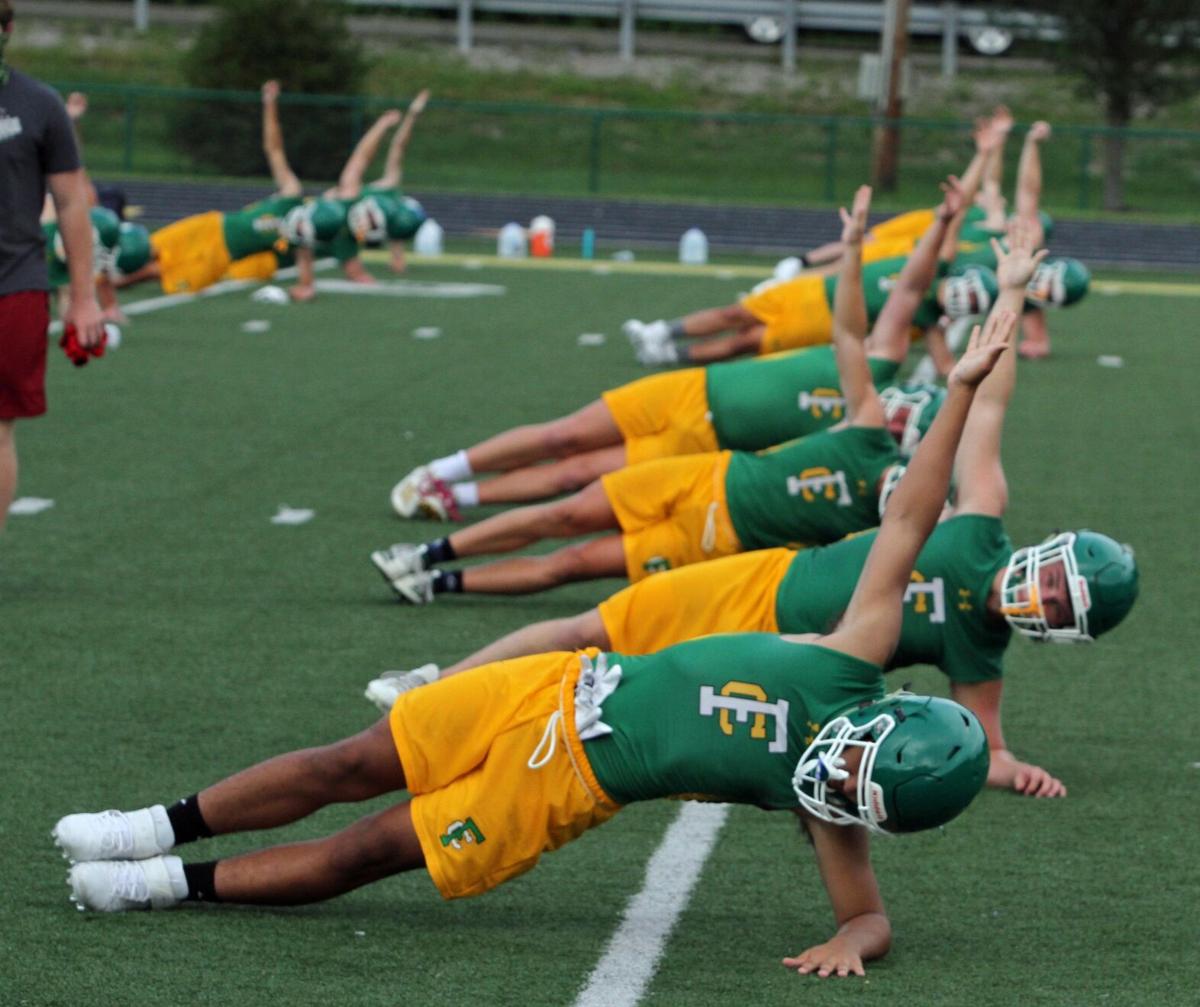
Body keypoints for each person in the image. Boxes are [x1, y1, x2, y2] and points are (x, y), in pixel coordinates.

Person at [52, 317, 1009, 989]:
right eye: (852, 769)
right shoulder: (854, 654)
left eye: (853, 798)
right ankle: (151, 825)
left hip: (563, 784)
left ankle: (159, 884)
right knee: (350, 760)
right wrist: (962, 389)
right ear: (883, 716)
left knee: (368, 849)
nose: (833, 784)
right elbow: (911, 519)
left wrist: (855, 940)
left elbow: (868, 916)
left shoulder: (829, 806)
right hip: (558, 684)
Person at [365, 235, 1138, 799]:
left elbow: (984, 745)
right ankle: (435, 686)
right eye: (1057, 586)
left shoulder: (982, 647)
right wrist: (1010, 293)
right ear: (1051, 554)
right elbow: (988, 406)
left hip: (781, 668)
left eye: (1059, 611)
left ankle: (471, 744)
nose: (1042, 600)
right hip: (764, 581)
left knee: (623, 710)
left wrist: (1015, 770)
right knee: (590, 629)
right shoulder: (980, 519)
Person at [370, 186, 939, 603]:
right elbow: (861, 324)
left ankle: (436, 580)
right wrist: (856, 250)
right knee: (567, 489)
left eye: (907, 424)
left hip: (713, 530)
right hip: (704, 467)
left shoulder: (883, 513)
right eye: (905, 410)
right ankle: (431, 536)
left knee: (572, 556)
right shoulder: (866, 417)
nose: (896, 416)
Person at [0, 0, 104, 534]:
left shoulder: (38, 103)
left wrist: (83, 298)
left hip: (13, 285)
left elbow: (70, 203)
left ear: (7, 30)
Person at [115, 81, 346, 298]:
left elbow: (305, 277)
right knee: (147, 247)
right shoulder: (291, 195)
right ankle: (103, 274)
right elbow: (274, 149)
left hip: (221, 258)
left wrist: (306, 288)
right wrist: (270, 104)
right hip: (212, 226)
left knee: (162, 274)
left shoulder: (302, 242)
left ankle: (112, 285)